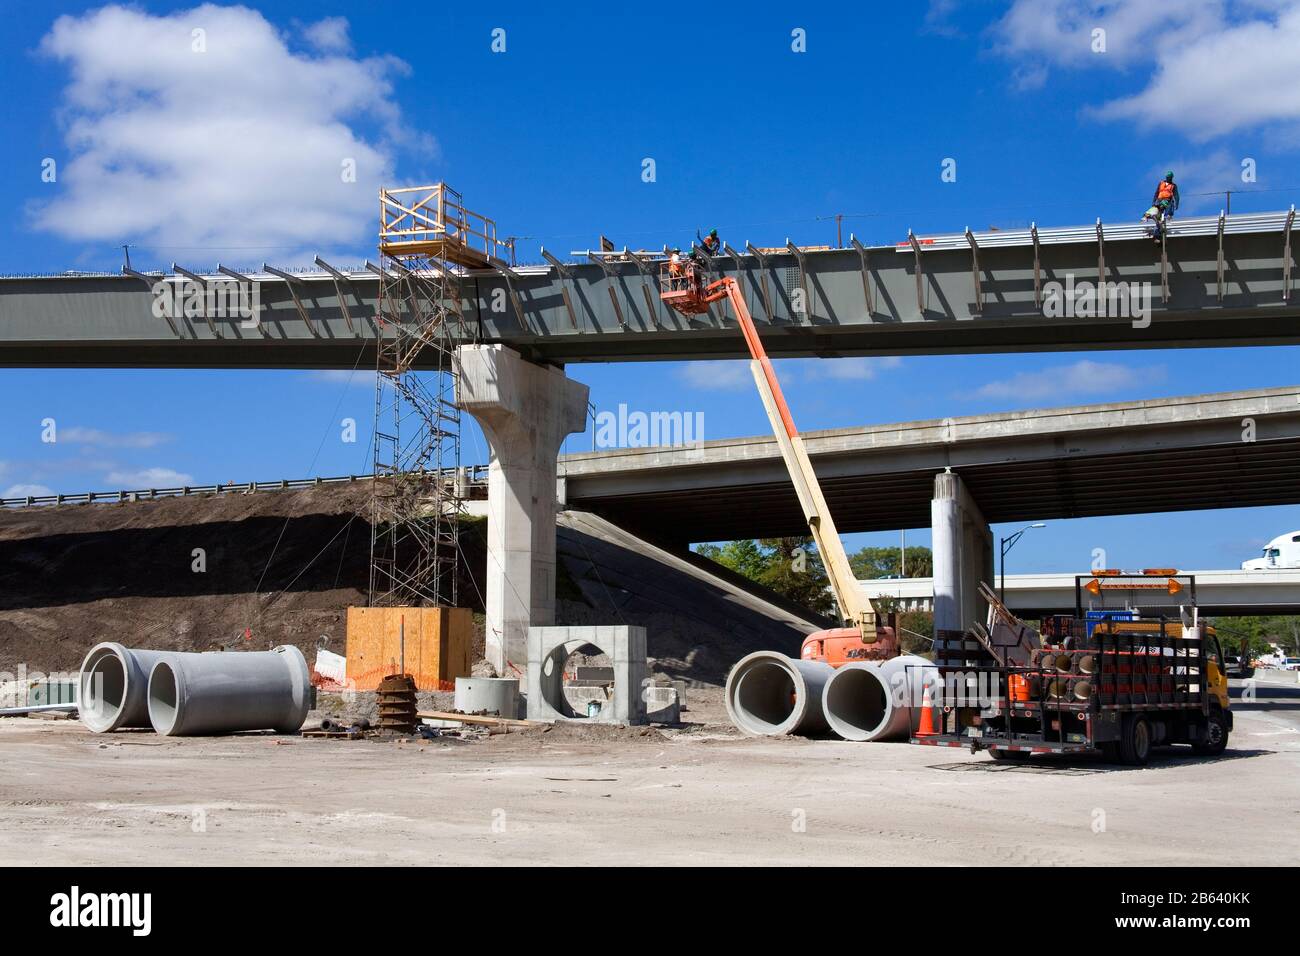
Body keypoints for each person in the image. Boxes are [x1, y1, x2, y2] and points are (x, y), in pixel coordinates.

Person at [1147, 171, 1179, 239]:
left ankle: (1166, 218)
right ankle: (1157, 231)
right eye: (1167, 177)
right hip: (1159, 201)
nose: (1168, 178)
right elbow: (1156, 193)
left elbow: (1176, 195)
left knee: (1165, 216)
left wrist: (1177, 203)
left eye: (1169, 177)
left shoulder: (1173, 185)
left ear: (1171, 178)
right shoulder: (1161, 183)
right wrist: (1153, 202)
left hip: (1167, 201)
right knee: (1157, 216)